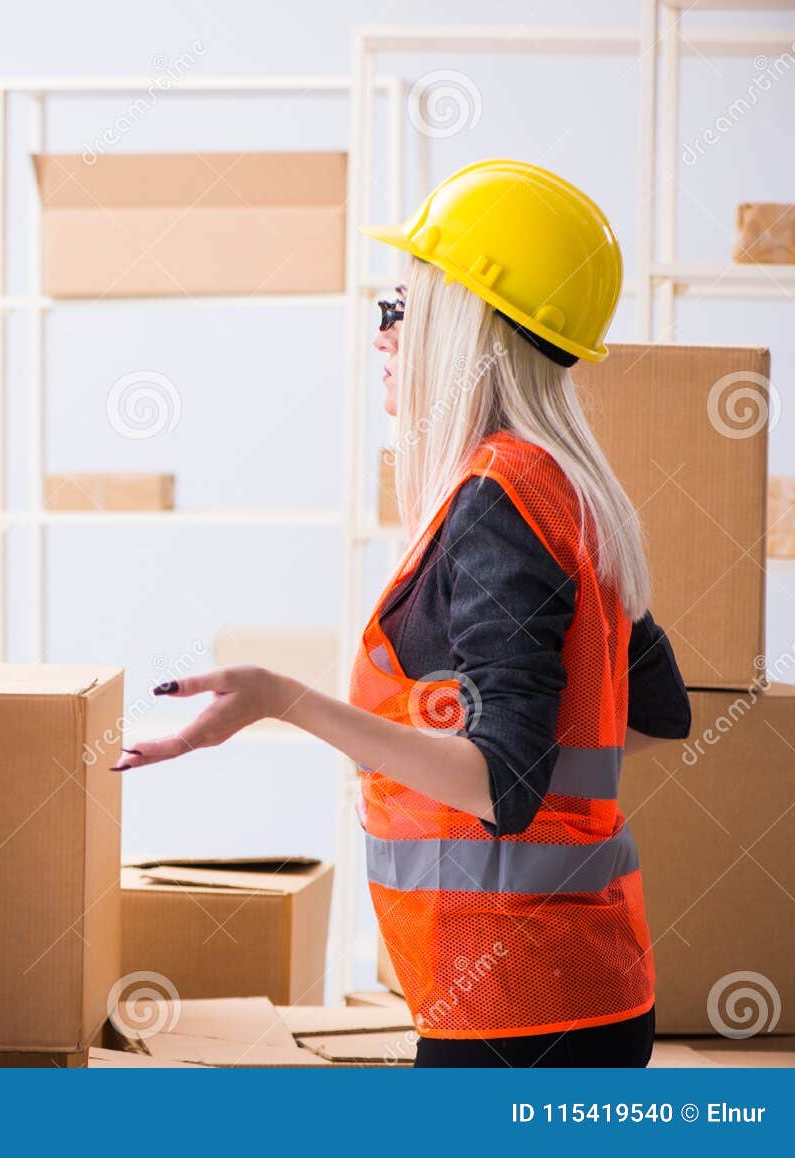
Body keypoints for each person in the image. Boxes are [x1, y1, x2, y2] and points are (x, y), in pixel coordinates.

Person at [115, 159, 692, 1068]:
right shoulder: (564, 491)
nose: (383, 337)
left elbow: (504, 785)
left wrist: (280, 699)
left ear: (469, 327)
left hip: (516, 1013)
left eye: (400, 308)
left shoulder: (500, 504)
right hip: (583, 993)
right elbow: (659, 714)